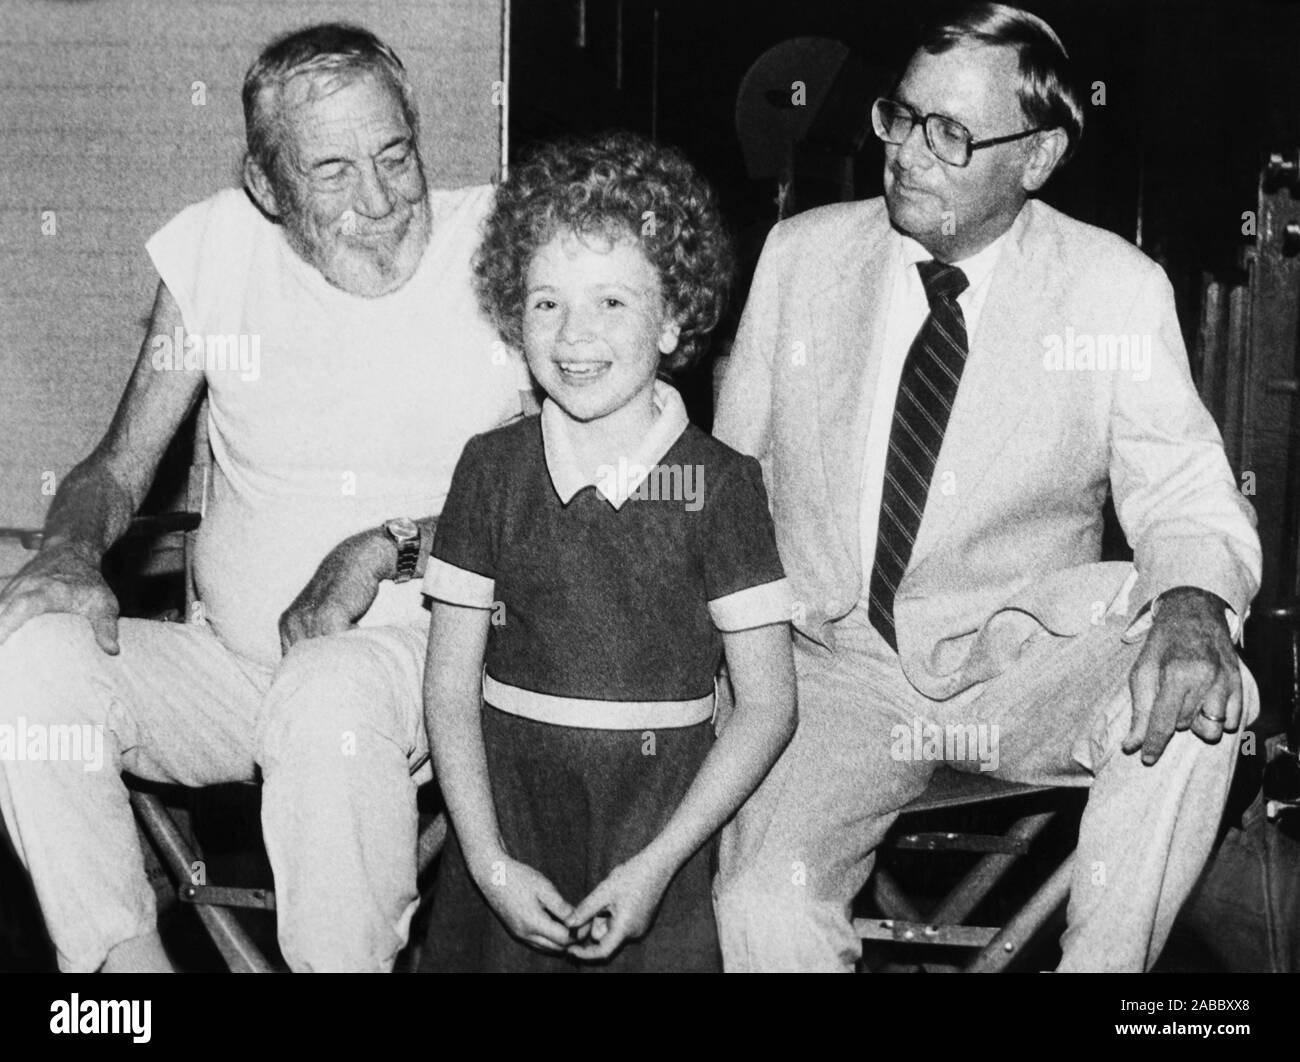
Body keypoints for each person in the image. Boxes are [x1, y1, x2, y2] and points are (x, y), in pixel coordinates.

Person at [712, 2, 1262, 972]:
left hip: (1020, 659)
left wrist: (1190, 603)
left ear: (1038, 158)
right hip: (832, 666)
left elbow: (1185, 488)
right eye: (901, 115)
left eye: (951, 133)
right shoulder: (798, 260)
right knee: (763, 900)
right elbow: (725, 488)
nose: (907, 155)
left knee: (1201, 698)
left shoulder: (1111, 289)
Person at [0, 23, 528, 972]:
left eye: (395, 153)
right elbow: (117, 469)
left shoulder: (504, 243)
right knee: (27, 661)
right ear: (265, 186)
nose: (380, 199)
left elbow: (596, 484)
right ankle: (127, 986)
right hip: (239, 671)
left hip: (441, 662)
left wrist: (390, 544)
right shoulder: (218, 251)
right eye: (331, 172)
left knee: (326, 694)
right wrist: (73, 550)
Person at [418, 132, 797, 972]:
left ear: (674, 319)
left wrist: (659, 865)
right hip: (508, 828)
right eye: (546, 301)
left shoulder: (721, 485)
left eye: (612, 303)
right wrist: (489, 863)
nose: (573, 334)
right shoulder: (491, 468)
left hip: (657, 831)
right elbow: (448, 691)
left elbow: (768, 705)